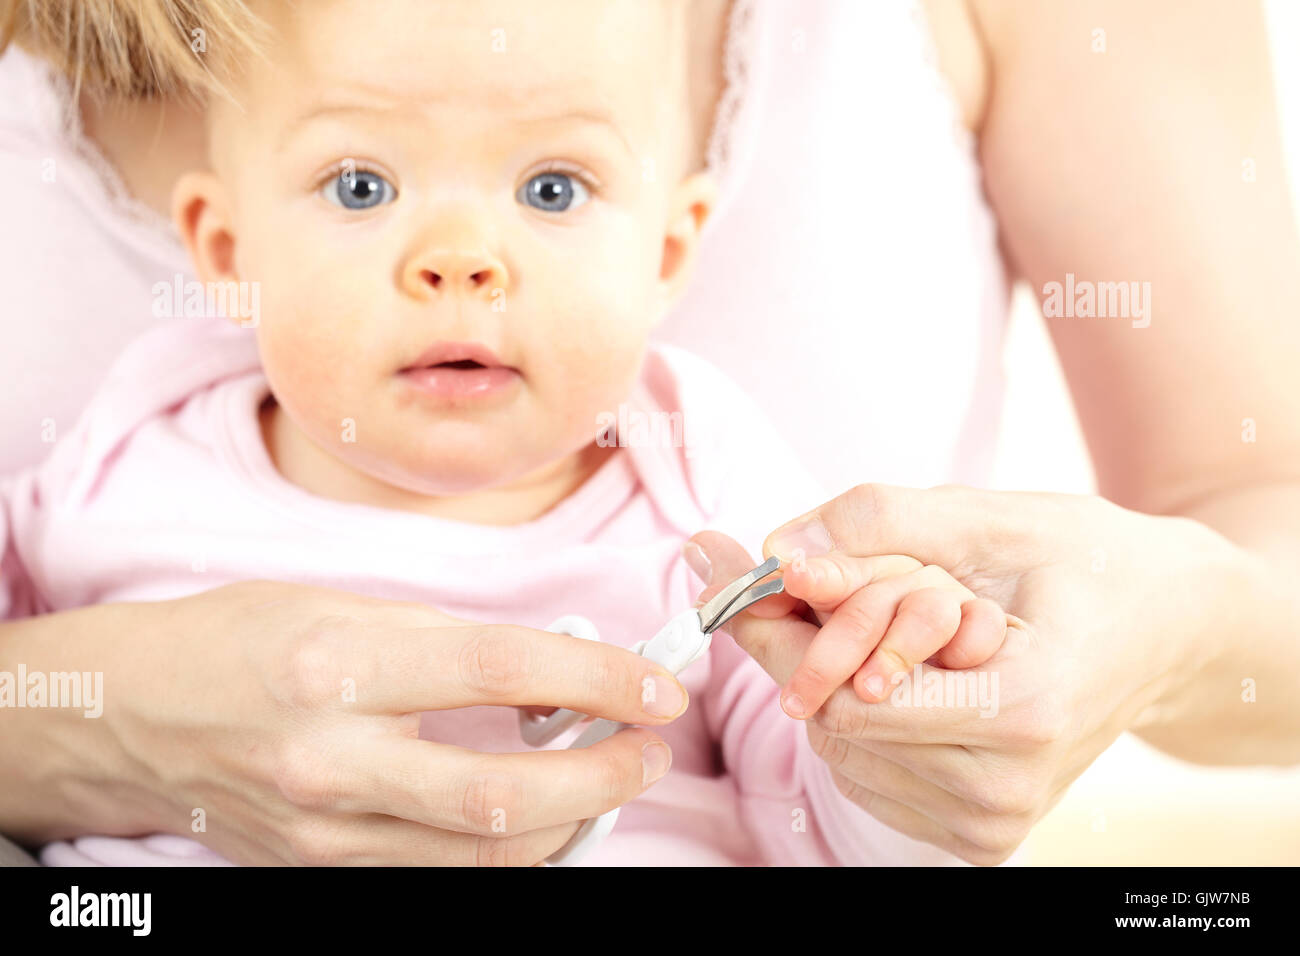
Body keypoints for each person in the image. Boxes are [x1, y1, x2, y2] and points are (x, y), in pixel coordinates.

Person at [2, 0, 1297, 866]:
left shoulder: (706, 497)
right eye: (361, 188)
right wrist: (62, 726)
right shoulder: (124, 452)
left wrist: (910, 707)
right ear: (221, 250)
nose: (460, 261)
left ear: (673, 247)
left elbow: (836, 824)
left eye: (552, 190)